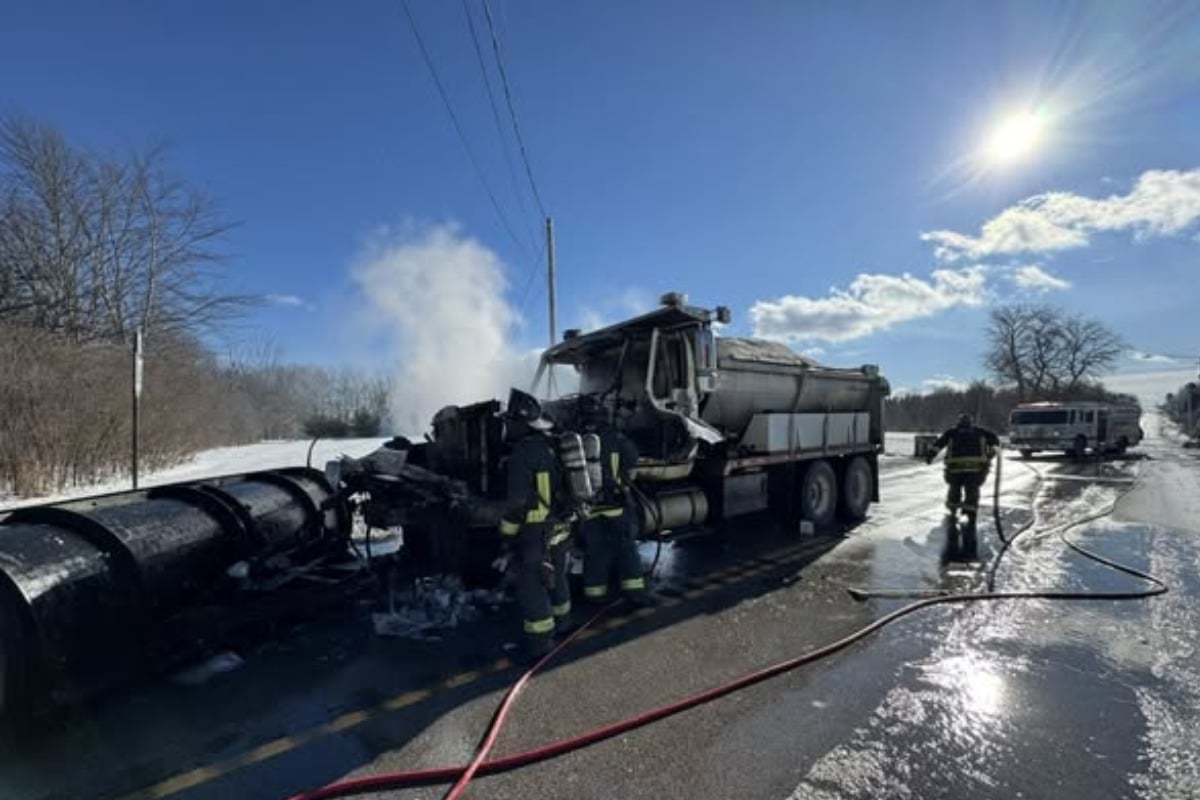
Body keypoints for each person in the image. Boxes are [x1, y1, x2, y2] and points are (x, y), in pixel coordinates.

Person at [497, 388, 573, 659]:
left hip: (534, 533)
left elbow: (517, 504)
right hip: (560, 527)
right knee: (558, 576)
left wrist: (505, 534)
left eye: (509, 422)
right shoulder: (552, 446)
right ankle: (563, 624)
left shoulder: (521, 455)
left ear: (520, 424)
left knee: (532, 586)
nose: (506, 427)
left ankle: (540, 643)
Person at [576, 394, 654, 607]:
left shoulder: (575, 439)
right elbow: (632, 457)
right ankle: (635, 594)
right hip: (617, 505)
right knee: (626, 549)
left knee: (596, 553)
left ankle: (594, 595)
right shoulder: (614, 436)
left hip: (589, 509)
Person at [925, 413, 1000, 558]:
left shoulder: (952, 432)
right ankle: (969, 514)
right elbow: (995, 443)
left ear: (959, 423)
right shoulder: (981, 432)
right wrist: (990, 456)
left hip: (955, 470)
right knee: (972, 492)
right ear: (970, 423)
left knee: (954, 490)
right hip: (976, 470)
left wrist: (929, 456)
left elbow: (938, 445)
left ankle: (953, 512)